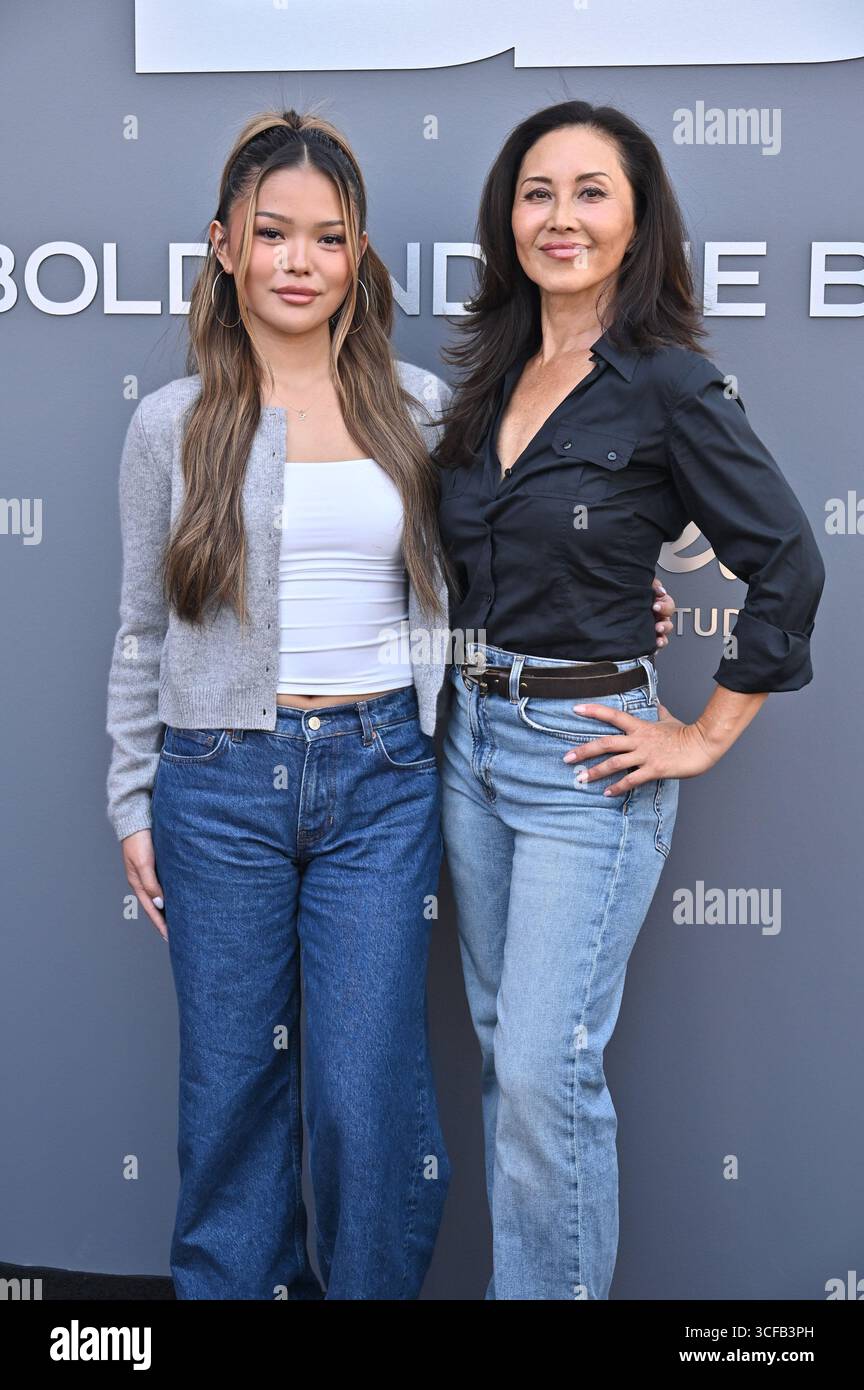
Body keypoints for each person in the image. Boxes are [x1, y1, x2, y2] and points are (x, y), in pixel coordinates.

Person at [432, 99, 825, 1300]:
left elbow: (789, 562)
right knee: (511, 1064)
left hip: (583, 758)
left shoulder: (667, 381)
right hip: (471, 743)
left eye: (592, 191)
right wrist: (615, 589)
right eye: (538, 191)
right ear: (509, 215)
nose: (562, 217)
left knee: (550, 1076)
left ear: (638, 217)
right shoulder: (490, 374)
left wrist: (703, 732)